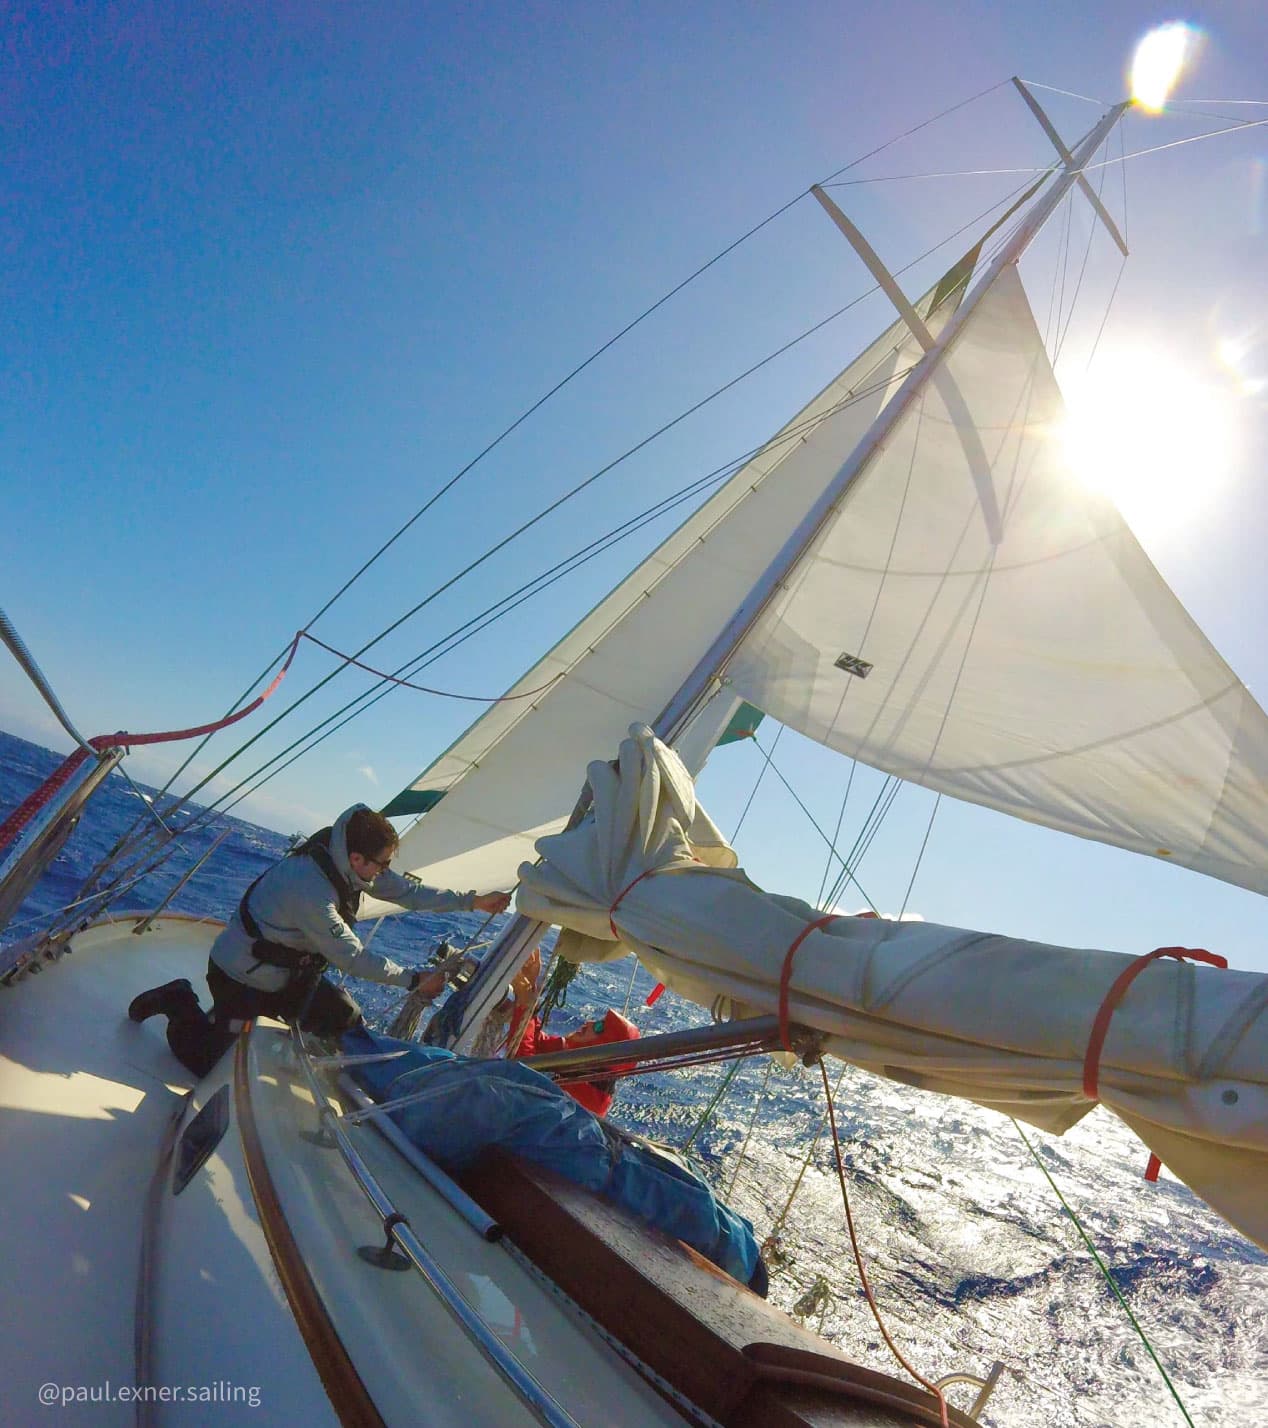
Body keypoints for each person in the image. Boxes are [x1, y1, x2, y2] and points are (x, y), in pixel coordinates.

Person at [127, 803, 511, 1077]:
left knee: (345, 1018)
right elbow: (351, 957)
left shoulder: (348, 863)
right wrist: (413, 979)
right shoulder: (310, 889)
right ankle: (179, 1000)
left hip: (289, 978)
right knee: (207, 1063)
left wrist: (473, 901)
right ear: (358, 859)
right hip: (241, 977)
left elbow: (408, 892)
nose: (386, 872)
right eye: (383, 864)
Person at [506, 948, 639, 1116]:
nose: (589, 1023)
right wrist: (531, 985)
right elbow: (537, 1043)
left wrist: (524, 1004)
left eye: (599, 1027)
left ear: (604, 1048)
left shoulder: (588, 1098)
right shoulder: (578, 1060)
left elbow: (523, 1073)